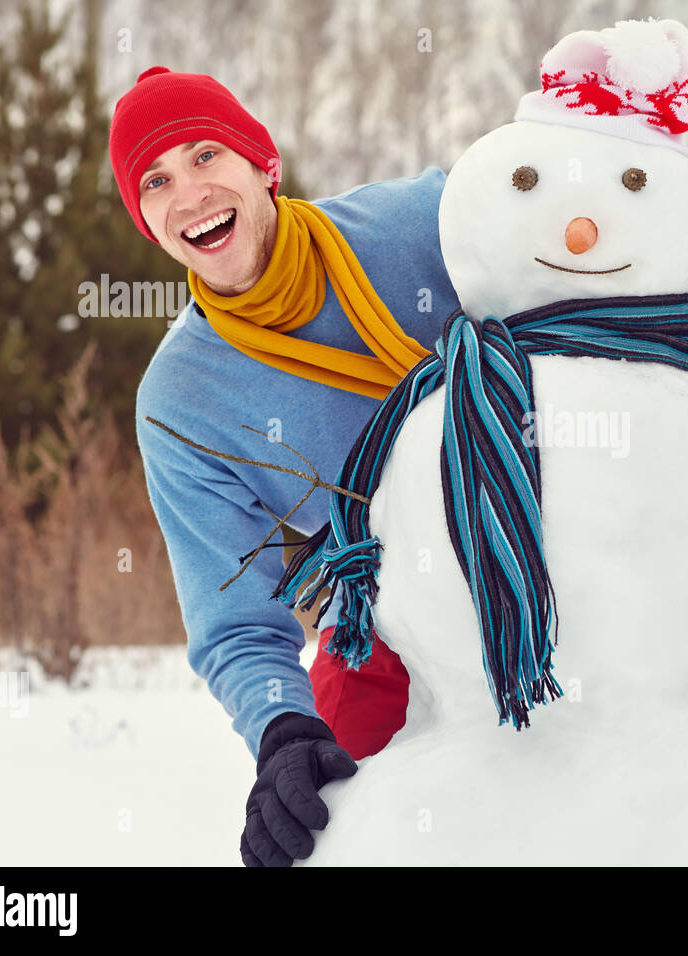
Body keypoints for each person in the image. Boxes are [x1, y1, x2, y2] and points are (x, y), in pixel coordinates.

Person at [111, 66, 460, 866]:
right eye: (155, 181)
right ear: (147, 223)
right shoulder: (181, 400)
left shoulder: (418, 225)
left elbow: (560, 241)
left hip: (548, 552)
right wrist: (281, 730)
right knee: (333, 827)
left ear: (261, 164)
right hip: (381, 615)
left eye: (206, 156)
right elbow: (233, 615)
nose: (188, 193)